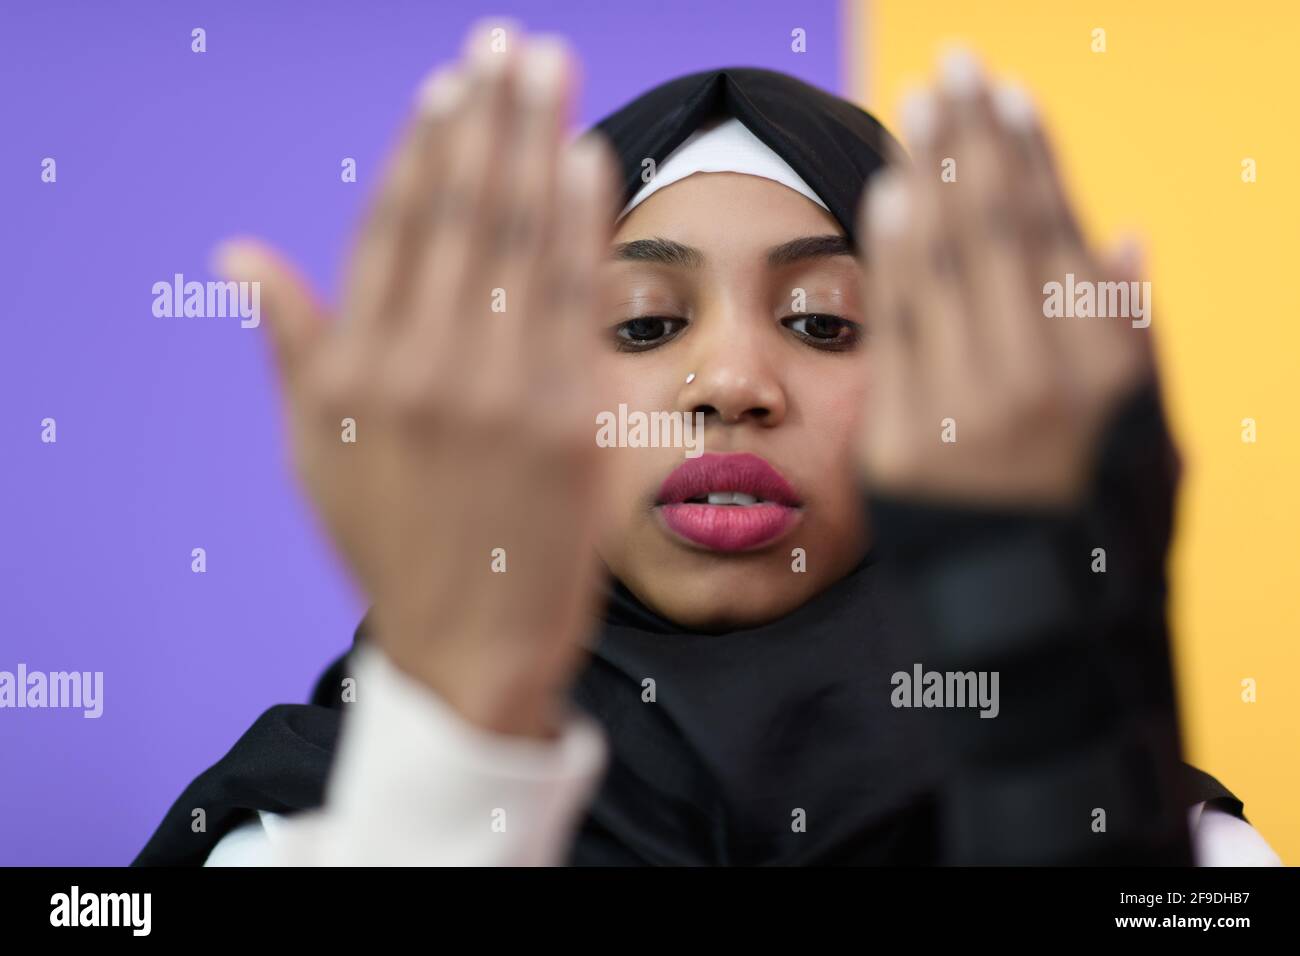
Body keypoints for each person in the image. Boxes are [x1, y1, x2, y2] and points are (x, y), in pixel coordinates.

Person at [133, 21, 1281, 867]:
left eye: (826, 321)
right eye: (640, 323)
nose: (731, 382)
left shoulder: (1180, 853)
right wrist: (456, 738)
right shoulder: (294, 831)